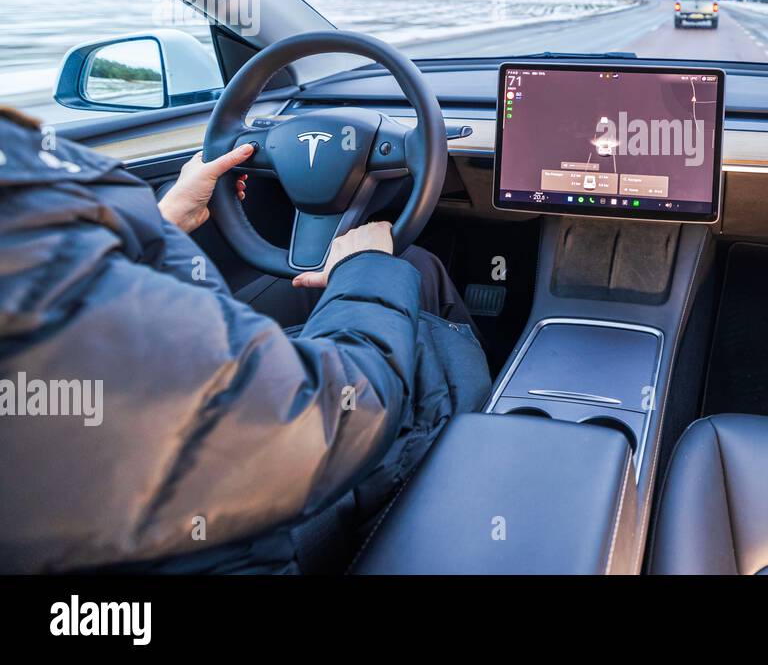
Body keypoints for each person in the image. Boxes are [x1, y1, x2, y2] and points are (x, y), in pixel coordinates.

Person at [0, 106, 490, 573]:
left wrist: (163, 221)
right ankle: (492, 440)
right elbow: (340, 418)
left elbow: (79, 298)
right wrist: (367, 269)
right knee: (415, 284)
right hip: (248, 537)